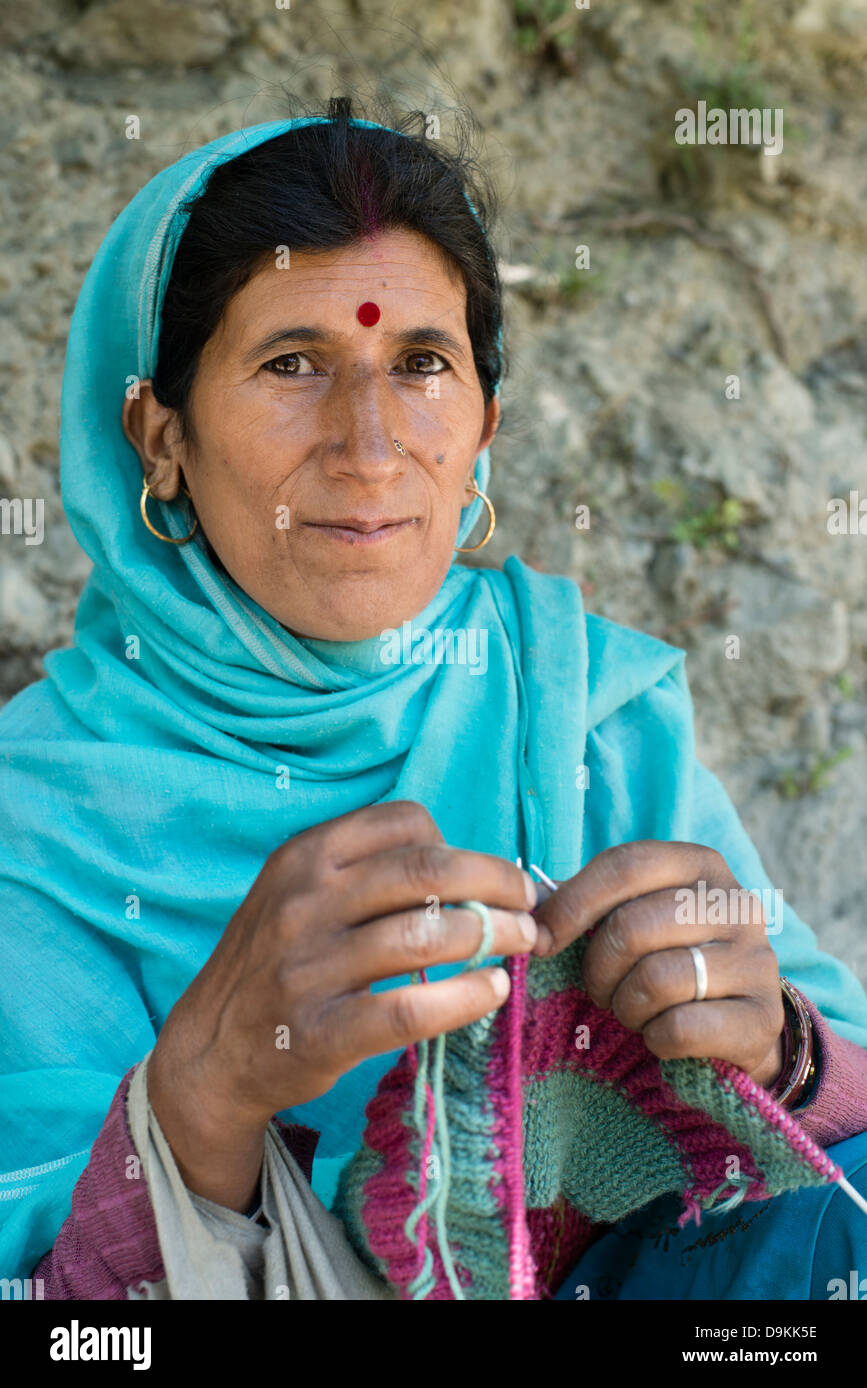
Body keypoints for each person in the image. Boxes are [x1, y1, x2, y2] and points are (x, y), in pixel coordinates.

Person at [1, 98, 865, 1301]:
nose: (370, 445)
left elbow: (841, 1131)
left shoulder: (581, 701)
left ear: (485, 430)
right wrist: (203, 1091)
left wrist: (778, 1041)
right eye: (292, 362)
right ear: (160, 433)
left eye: (420, 365)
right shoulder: (32, 813)